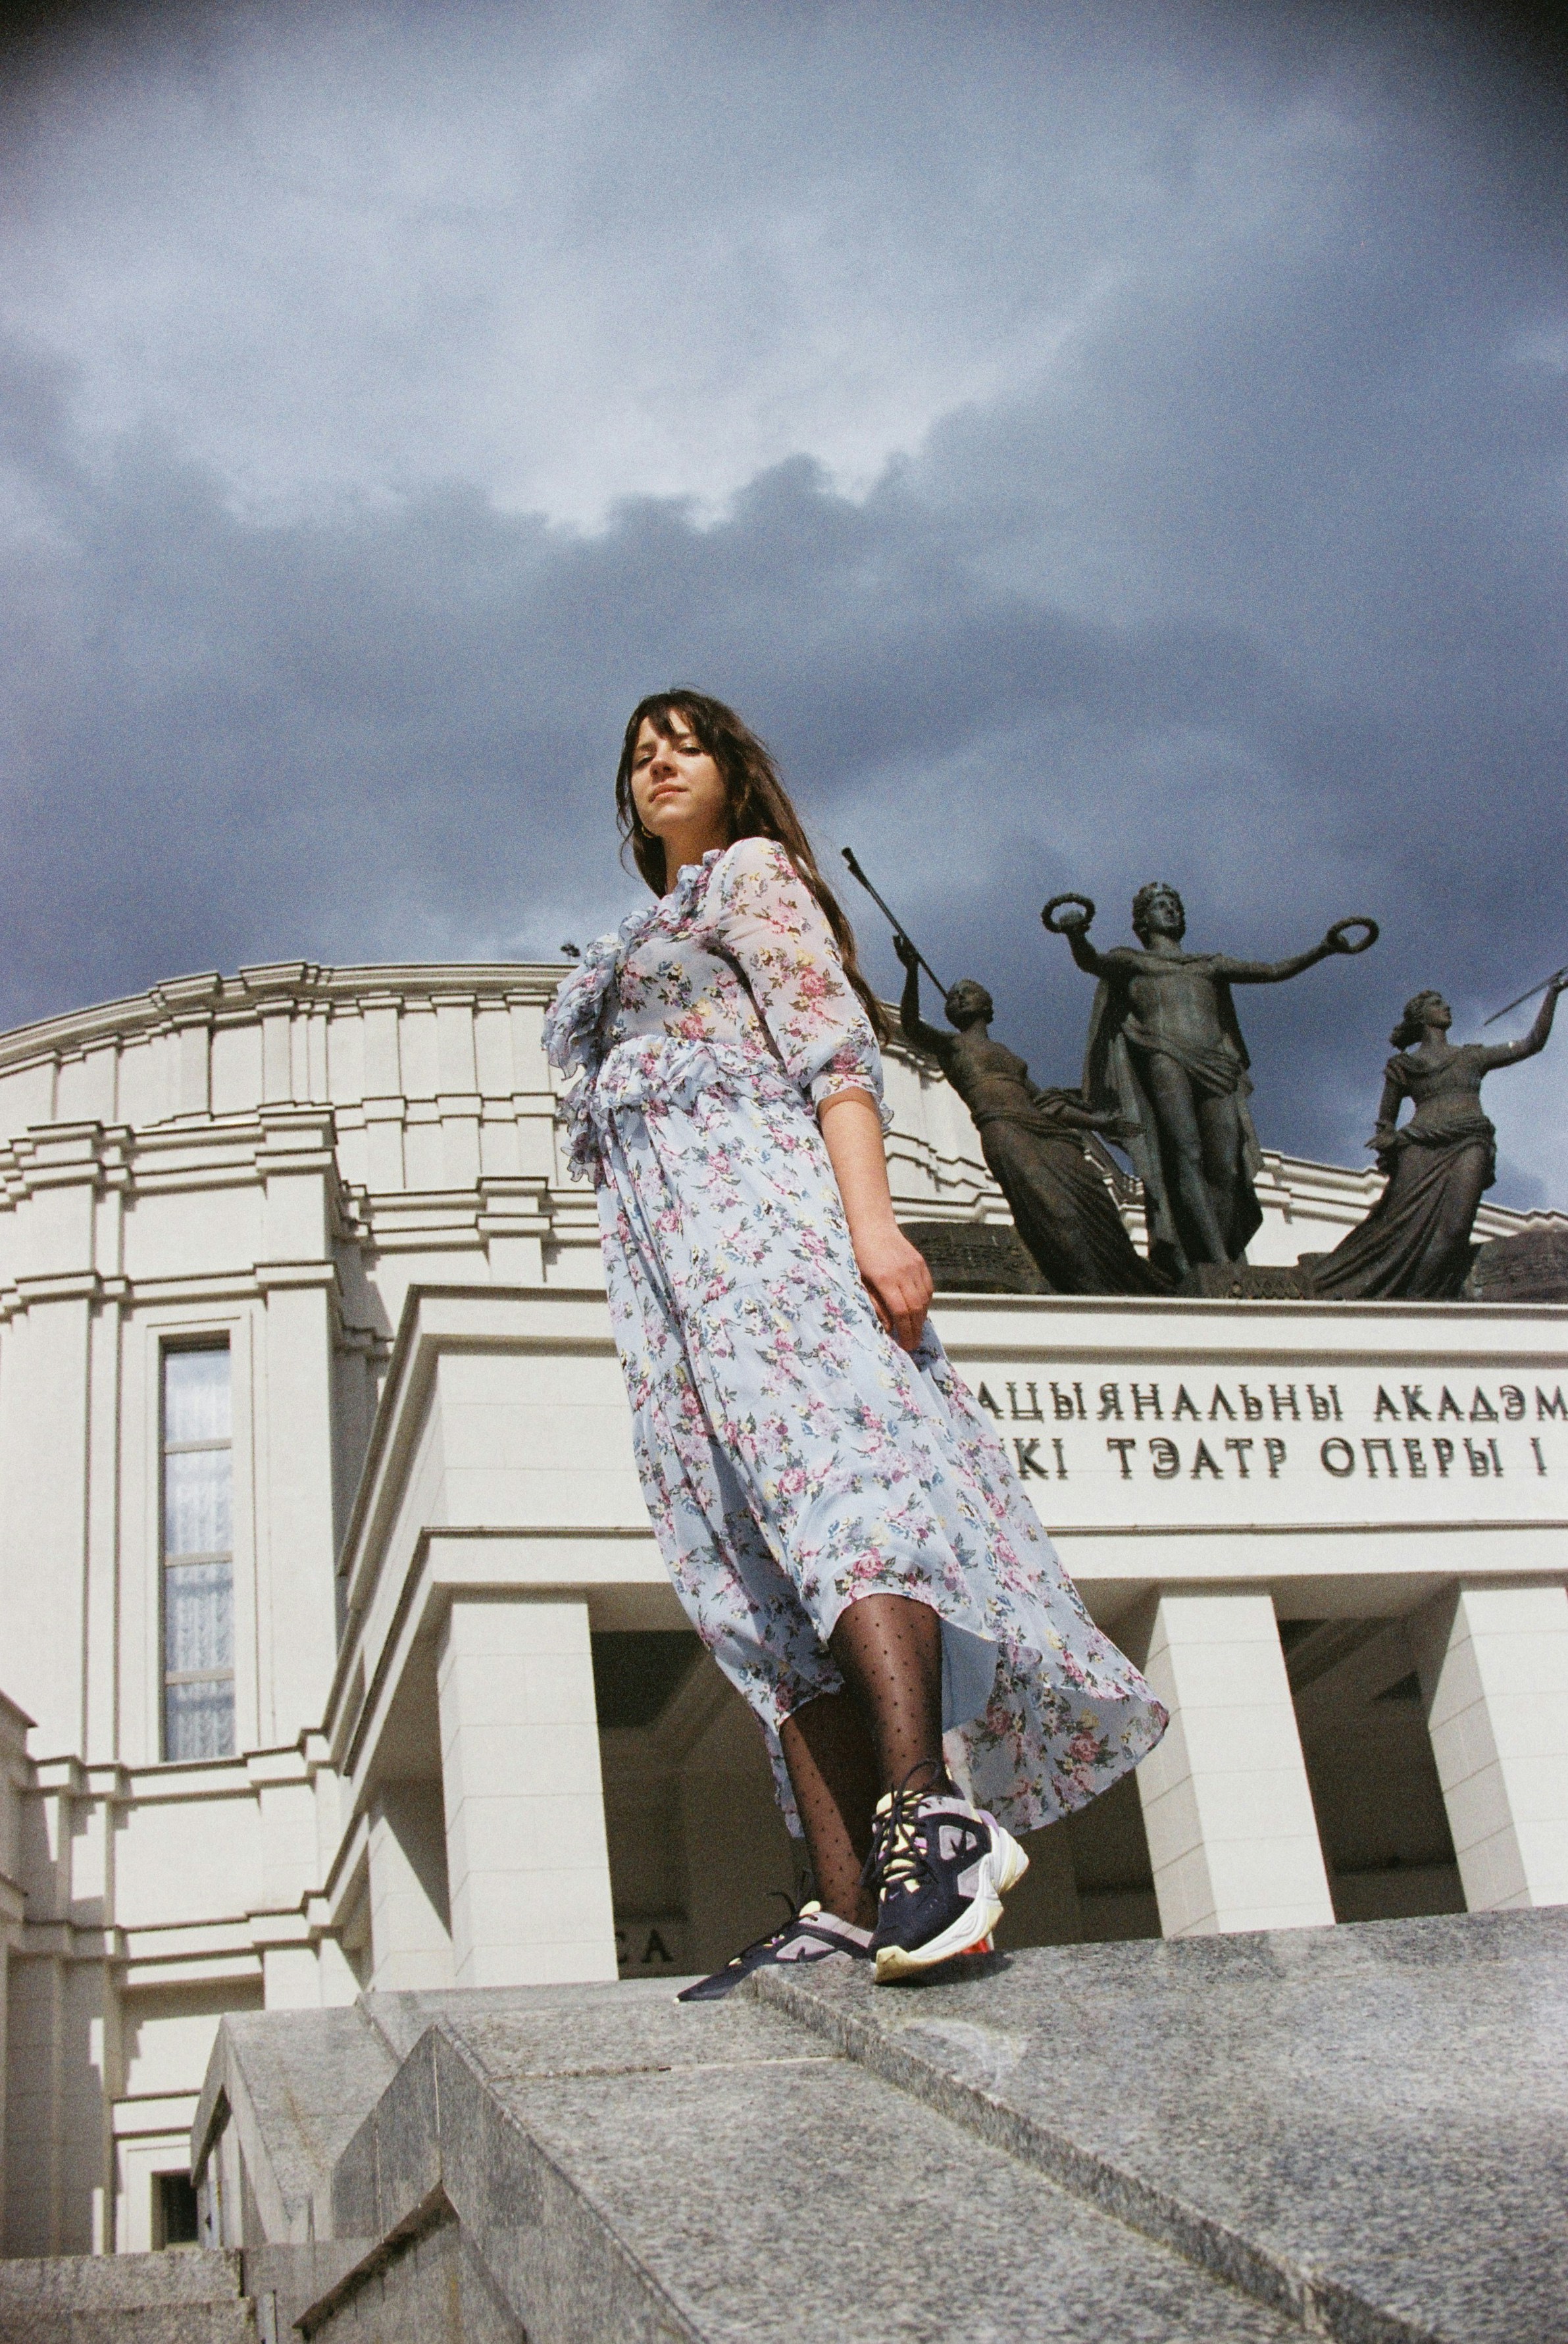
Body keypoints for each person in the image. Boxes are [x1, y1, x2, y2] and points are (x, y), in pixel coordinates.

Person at [545, 690, 1166, 1993]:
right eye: (639, 754)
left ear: (733, 770)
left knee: (839, 1499)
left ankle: (928, 1814)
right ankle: (846, 1896)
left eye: (685, 743)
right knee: (747, 1568)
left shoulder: (756, 879)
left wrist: (873, 1230)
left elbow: (835, 1055)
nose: (659, 763)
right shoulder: (643, 931)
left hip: (770, 1234)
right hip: (669, 1290)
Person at [1046, 884, 1376, 1283]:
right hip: (1165, 1057)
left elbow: (1271, 972)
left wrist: (1323, 949)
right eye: (1160, 906)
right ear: (1141, 920)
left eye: (1175, 905)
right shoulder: (1131, 961)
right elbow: (1090, 962)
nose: (1171, 912)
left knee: (1228, 1167)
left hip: (1217, 1065)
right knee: (1186, 1154)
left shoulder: (1209, 965)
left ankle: (1218, 1247)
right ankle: (1218, 1262)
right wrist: (1075, 934)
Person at [893, 939, 1164, 1294]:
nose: (957, 997)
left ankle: (1119, 1283)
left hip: (1047, 1133)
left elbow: (1047, 1104)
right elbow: (911, 1025)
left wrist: (1103, 1123)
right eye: (953, 996)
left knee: (1096, 1204)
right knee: (1050, 1208)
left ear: (988, 1006)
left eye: (967, 992)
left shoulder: (1008, 1054)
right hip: (1004, 1128)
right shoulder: (951, 1046)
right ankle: (1085, 1286)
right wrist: (912, 971)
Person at [1312, 982, 1565, 1300]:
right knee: (1398, 1228)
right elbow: (1386, 1120)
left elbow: (1532, 1043)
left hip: (1470, 1141)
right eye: (1437, 1003)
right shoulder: (1404, 1065)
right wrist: (1386, 1138)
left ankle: (1422, 1296)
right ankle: (1403, 1299)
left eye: (1444, 1002)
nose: (1447, 1007)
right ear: (1422, 1018)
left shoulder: (1472, 1057)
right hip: (1419, 1147)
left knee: (1456, 1227)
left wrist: (1552, 996)